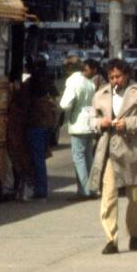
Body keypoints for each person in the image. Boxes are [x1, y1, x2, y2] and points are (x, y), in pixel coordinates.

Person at [86, 59, 137, 254]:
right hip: (109, 151)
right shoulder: (100, 95)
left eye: (118, 76)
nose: (115, 80)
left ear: (126, 75)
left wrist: (129, 123)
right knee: (108, 195)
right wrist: (101, 123)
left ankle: (135, 233)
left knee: (134, 198)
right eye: (111, 77)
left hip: (132, 151)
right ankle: (112, 239)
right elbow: (90, 119)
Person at [59, 58, 100, 199]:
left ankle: (84, 190)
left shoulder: (73, 82)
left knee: (79, 158)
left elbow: (65, 104)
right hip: (91, 121)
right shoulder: (89, 83)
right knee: (88, 157)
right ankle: (92, 189)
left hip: (79, 123)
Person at [22, 60, 58, 199]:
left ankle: (40, 190)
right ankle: (41, 188)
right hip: (47, 123)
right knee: (40, 158)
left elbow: (24, 100)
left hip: (36, 123)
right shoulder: (47, 80)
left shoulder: (33, 82)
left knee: (36, 158)